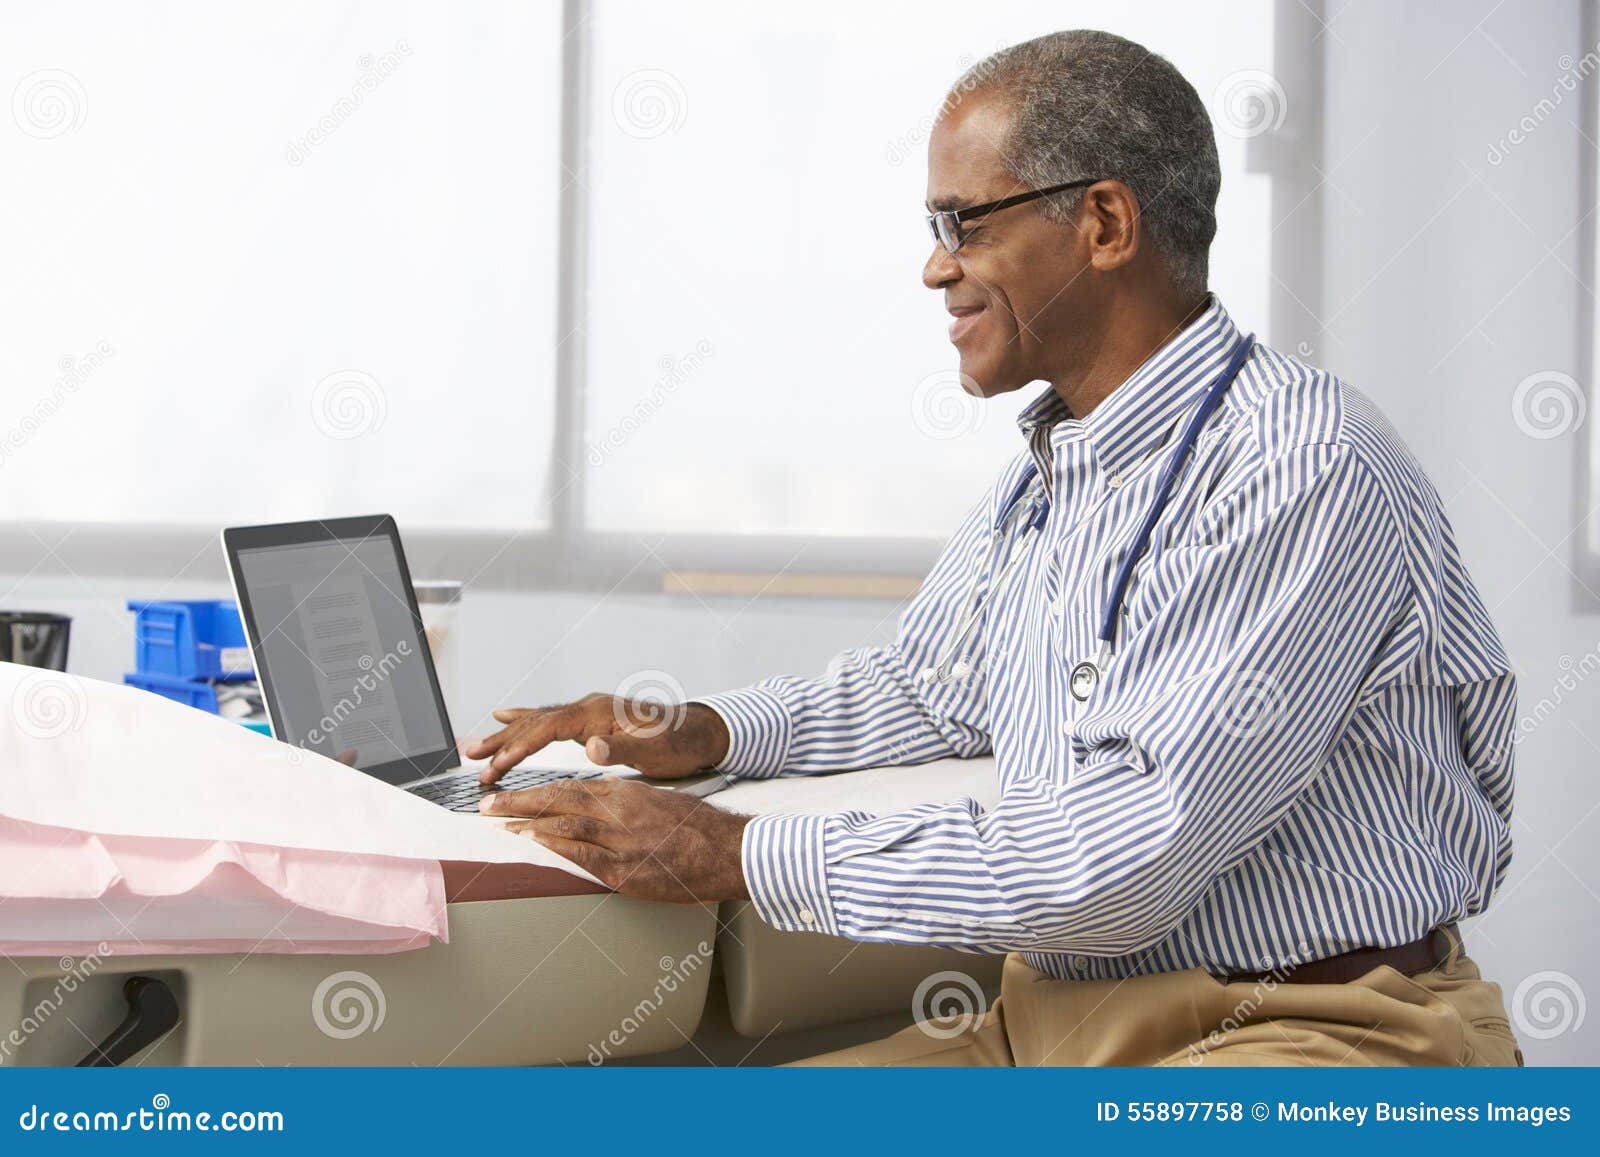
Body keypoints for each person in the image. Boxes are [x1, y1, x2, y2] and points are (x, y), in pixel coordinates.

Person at [467, 29, 1521, 1067]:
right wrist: (694, 731)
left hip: (1315, 1030)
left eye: (960, 221)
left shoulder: (1298, 465)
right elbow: (933, 689)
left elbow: (1120, 864)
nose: (935, 267)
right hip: (1047, 1024)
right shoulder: (1059, 458)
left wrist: (734, 848)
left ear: (1104, 223)